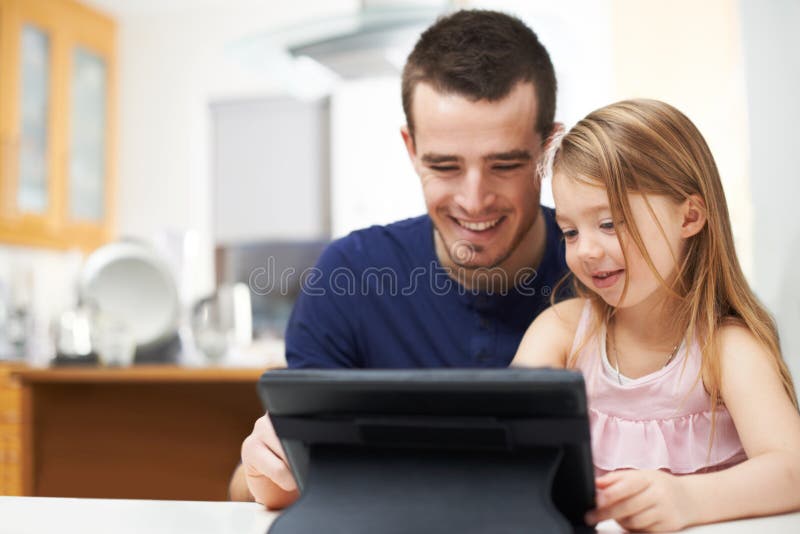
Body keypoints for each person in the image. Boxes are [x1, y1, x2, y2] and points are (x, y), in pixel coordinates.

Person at [229, 10, 568, 506]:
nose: (474, 200)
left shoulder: (607, 271)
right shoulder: (349, 277)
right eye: (445, 166)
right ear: (411, 149)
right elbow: (249, 488)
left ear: (548, 148)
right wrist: (265, 471)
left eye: (505, 165)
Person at [512, 98, 800, 531]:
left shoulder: (727, 349)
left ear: (690, 217)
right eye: (570, 231)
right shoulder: (561, 333)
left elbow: (793, 469)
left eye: (609, 223)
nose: (585, 250)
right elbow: (507, 446)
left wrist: (687, 499)